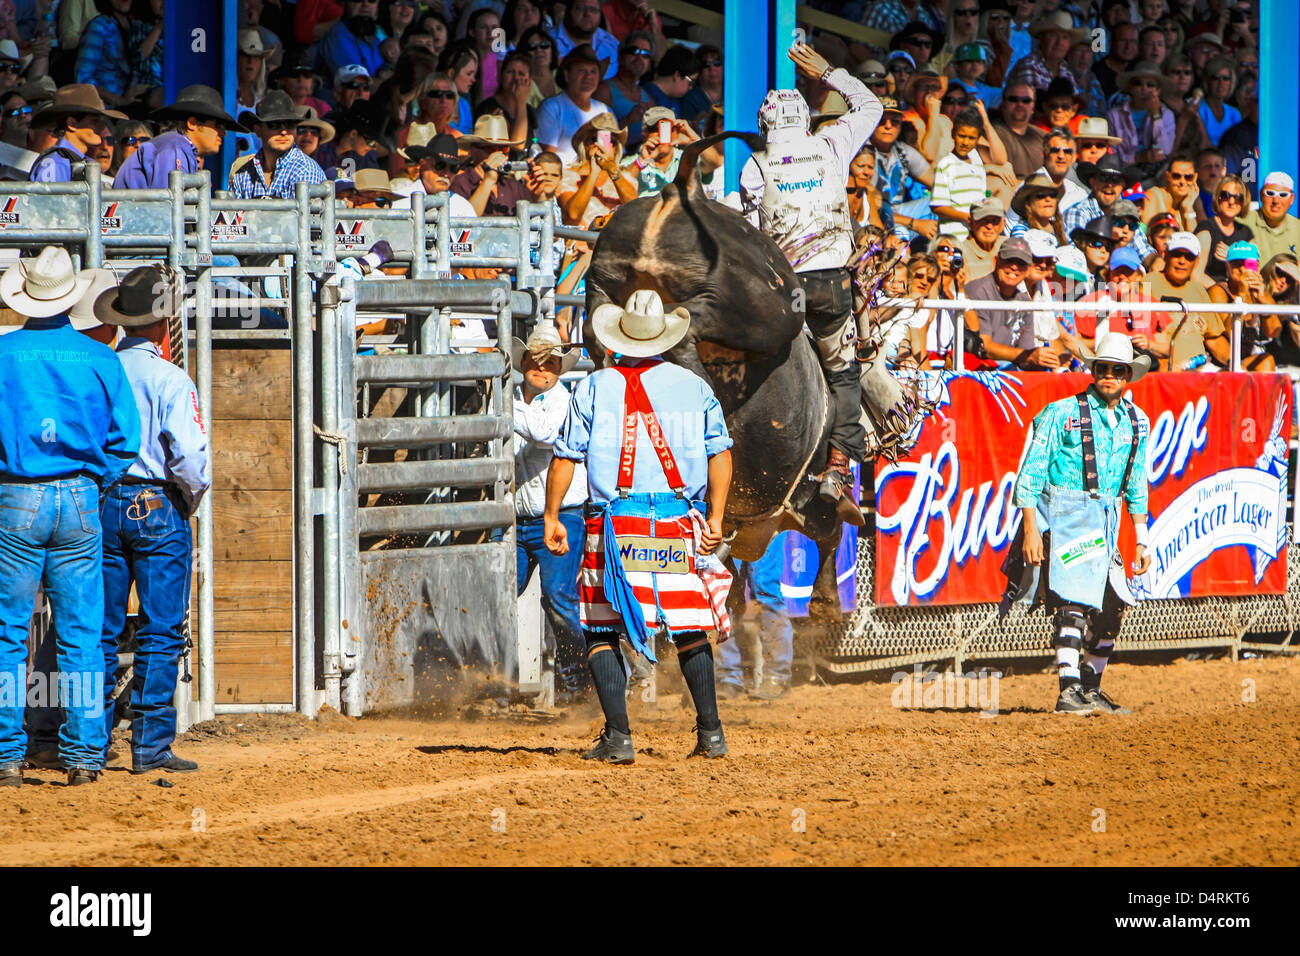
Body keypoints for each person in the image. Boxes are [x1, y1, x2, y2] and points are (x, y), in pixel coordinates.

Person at [546, 289, 733, 763]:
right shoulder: (694, 386)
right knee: (690, 626)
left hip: (614, 524)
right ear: (665, 338)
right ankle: (710, 733)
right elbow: (720, 452)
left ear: (620, 336)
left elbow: (566, 456)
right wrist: (714, 516)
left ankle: (618, 736)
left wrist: (552, 516)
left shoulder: (592, 386)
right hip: (677, 520)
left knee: (602, 628)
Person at [0, 247, 141, 788]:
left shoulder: (6, 354)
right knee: (81, 633)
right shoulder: (101, 357)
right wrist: (92, 479)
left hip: (17, 495)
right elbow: (126, 440)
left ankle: (9, 754)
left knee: (10, 630)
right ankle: (84, 757)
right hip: (80, 496)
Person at [740, 42, 881, 525]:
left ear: (764, 126)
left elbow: (750, 232)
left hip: (784, 287)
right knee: (842, 371)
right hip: (831, 284)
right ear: (804, 120)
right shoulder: (832, 144)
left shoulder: (755, 166)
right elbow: (872, 106)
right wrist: (828, 73)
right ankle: (838, 468)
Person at [85, 266, 210, 774]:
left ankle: (88, 743)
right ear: (163, 325)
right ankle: (150, 745)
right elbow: (190, 457)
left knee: (100, 628)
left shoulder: (103, 371)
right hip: (157, 503)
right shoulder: (171, 379)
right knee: (162, 629)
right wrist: (188, 500)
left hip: (103, 500)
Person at [1008, 333, 1151, 716]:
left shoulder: (1137, 422)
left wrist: (1141, 538)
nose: (1108, 375)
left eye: (1116, 370)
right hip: (1066, 513)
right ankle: (1068, 689)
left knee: (1112, 606)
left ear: (1127, 375)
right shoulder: (1061, 413)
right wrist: (1031, 529)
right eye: (1102, 368)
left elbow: (1136, 484)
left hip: (1108, 517)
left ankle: (1089, 687)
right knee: (1073, 602)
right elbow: (1031, 473)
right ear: (1094, 370)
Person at [510, 325, 588, 704]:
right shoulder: (508, 398)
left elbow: (543, 434)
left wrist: (503, 409)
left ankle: (579, 688)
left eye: (551, 363)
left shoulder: (564, 401)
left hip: (563, 516)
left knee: (559, 597)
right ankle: (497, 675)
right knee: (498, 592)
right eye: (536, 361)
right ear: (523, 362)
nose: (543, 368)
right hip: (517, 517)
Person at [113, 85, 246, 189]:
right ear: (192, 124)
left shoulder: (179, 146)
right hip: (135, 220)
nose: (223, 133)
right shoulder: (173, 147)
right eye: (218, 125)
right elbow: (166, 208)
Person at [963, 237, 1058, 370]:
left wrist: (1045, 360)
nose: (1014, 267)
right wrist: (1029, 355)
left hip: (1010, 372)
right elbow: (984, 347)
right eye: (1009, 260)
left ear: (1027, 269)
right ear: (996, 261)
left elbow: (1026, 354)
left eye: (1021, 263)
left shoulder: (1025, 303)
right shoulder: (977, 291)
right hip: (978, 371)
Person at [1144, 231, 1229, 370]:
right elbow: (1138, 335)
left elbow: (1213, 338)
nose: (1182, 261)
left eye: (1189, 257)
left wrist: (1234, 363)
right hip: (1165, 371)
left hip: (1201, 369)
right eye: (1177, 254)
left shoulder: (1199, 290)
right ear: (1165, 255)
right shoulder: (1147, 283)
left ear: (1196, 262)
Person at [228, 91, 327, 199]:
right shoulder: (243, 175)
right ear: (258, 130)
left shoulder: (306, 170)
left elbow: (304, 215)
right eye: (274, 124)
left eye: (290, 124)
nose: (283, 131)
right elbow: (232, 215)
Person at [1065, 153, 1155, 263]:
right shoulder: (1078, 212)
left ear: (1123, 185)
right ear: (1093, 182)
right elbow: (1074, 255)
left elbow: (1145, 252)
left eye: (1116, 179)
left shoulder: (1128, 217)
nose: (1109, 185)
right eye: (1103, 178)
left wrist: (1155, 262)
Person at [29, 84, 124, 183]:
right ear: (72, 124)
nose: (102, 127)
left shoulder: (73, 161)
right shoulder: (55, 164)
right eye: (95, 121)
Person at [1210, 241, 1280, 372]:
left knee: (1267, 360)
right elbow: (1229, 332)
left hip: (1251, 356)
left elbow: (1273, 331)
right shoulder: (1219, 291)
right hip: (1225, 360)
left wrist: (1261, 301)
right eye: (1236, 264)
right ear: (1227, 267)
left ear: (1257, 267)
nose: (1242, 269)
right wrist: (1241, 296)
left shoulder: (1262, 293)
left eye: (1249, 264)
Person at [537, 43, 611, 165]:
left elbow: (607, 155)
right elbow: (548, 160)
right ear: (567, 75)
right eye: (582, 70)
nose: (588, 76)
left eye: (593, 71)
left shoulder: (604, 111)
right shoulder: (551, 108)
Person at [558, 111, 635, 227]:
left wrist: (613, 172)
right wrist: (593, 174)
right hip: (579, 243)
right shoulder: (568, 176)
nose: (602, 145)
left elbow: (635, 209)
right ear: (585, 144)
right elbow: (573, 215)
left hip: (615, 243)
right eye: (595, 139)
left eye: (610, 141)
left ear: (615, 149)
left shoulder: (626, 178)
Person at [452, 113, 534, 217]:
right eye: (490, 149)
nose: (498, 155)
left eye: (503, 149)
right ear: (474, 150)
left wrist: (539, 196)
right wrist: (488, 180)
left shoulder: (514, 186)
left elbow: (543, 224)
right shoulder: (460, 183)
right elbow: (466, 220)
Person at [595, 30, 654, 144]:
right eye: (633, 51)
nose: (639, 57)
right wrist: (628, 120)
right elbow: (599, 138)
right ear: (620, 56)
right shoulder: (604, 90)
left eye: (645, 54)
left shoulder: (648, 99)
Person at [1193, 172, 1253, 284]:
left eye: (1238, 198)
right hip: (1210, 293)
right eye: (1225, 196)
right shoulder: (1206, 230)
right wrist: (1223, 292)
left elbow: (1252, 271)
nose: (1231, 202)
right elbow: (1196, 274)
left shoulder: (1246, 233)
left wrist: (1232, 256)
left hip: (1239, 291)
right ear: (1217, 197)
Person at [1005, 11, 1084, 95]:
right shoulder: (1029, 66)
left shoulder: (1067, 71)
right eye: (1053, 35)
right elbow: (1029, 106)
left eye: (1065, 37)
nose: (1059, 42)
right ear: (1041, 38)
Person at [1242, 172, 1300, 267]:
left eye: (1283, 195)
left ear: (1292, 199)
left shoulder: (1298, 229)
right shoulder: (1242, 222)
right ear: (1261, 195)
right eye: (1270, 193)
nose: (1276, 201)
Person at [551, 0, 618, 80]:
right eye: (581, 8)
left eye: (593, 10)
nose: (587, 14)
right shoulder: (548, 43)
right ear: (568, 10)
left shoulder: (610, 41)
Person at [319, 0, 385, 79]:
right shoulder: (338, 35)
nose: (365, 4)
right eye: (358, 1)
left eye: (372, 0)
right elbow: (358, 81)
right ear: (345, 4)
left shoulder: (375, 36)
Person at [992, 82, 1044, 180]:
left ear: (1033, 107)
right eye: (1013, 99)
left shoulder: (1043, 136)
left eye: (1026, 100)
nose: (1020, 104)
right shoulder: (992, 134)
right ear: (1002, 104)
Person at [1144, 153, 1198, 233]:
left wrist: (1188, 208)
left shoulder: (1192, 202)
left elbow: (1195, 240)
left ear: (1195, 177)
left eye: (1188, 177)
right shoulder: (1154, 195)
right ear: (1168, 176)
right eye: (1176, 176)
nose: (1182, 181)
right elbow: (1146, 233)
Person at [958, 195, 1007, 281]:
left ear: (1003, 224)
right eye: (983, 220)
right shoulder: (961, 252)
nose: (989, 226)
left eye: (995, 221)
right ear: (971, 223)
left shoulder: (1008, 246)